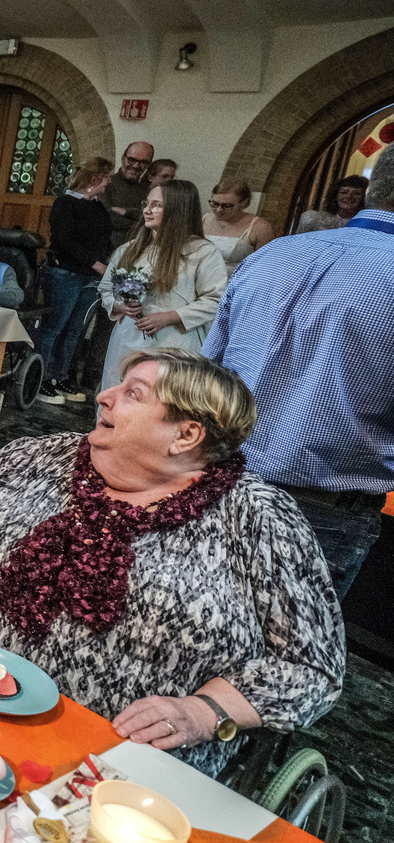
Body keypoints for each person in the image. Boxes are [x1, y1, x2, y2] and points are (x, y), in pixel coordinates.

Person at [0, 348, 344, 778]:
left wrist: (204, 710)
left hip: (106, 763)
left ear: (186, 434)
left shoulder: (258, 518)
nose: (104, 396)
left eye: (134, 394)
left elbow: (310, 668)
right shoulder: (49, 455)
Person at [203, 147, 394, 610]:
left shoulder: (276, 254)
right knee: (283, 670)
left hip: (217, 482)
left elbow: (206, 375)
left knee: (181, 640)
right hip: (322, 508)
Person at [97, 179, 226, 392]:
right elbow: (105, 288)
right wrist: (120, 305)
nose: (147, 210)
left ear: (178, 210)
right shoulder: (129, 249)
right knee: (119, 395)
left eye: (156, 205)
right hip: (128, 339)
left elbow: (215, 299)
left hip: (173, 342)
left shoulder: (202, 252)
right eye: (146, 204)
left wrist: (168, 316)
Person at [37, 156, 114, 405]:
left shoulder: (98, 208)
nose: (109, 182)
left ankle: (59, 376)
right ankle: (39, 379)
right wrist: (96, 264)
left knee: (74, 331)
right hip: (66, 273)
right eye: (106, 177)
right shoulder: (65, 203)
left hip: (90, 278)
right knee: (54, 328)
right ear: (94, 178)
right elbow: (63, 240)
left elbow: (104, 239)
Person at [203, 178, 275, 277]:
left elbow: (264, 267)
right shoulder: (205, 219)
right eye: (215, 204)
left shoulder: (259, 227)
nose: (219, 210)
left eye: (227, 206)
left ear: (243, 203)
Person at [101, 141, 155, 247]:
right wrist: (143, 223)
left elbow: (156, 218)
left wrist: (125, 212)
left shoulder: (149, 191)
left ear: (149, 164)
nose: (136, 165)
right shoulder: (105, 185)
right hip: (108, 252)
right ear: (123, 158)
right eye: (131, 160)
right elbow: (104, 218)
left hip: (139, 251)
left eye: (143, 162)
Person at [296, 174, 368, 233]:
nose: (349, 196)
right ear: (335, 196)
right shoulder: (313, 219)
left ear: (364, 198)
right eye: (344, 192)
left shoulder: (366, 226)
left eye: (356, 193)